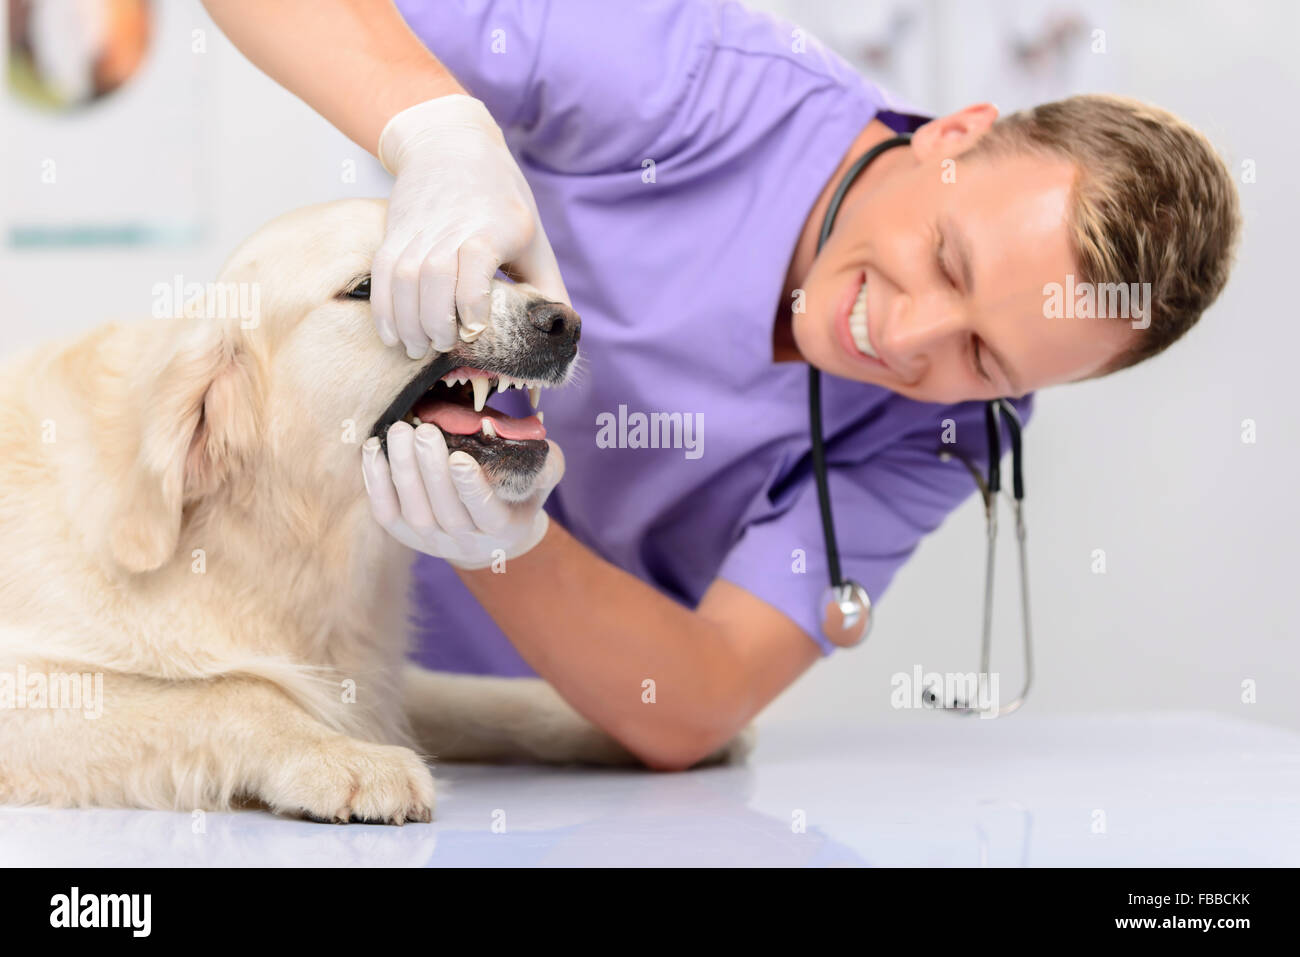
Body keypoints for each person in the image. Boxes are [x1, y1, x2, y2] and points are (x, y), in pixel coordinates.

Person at [202, 0, 1241, 770]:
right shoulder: (686, 78)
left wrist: (501, 538)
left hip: (474, 745)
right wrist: (434, 128)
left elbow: (699, 701)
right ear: (955, 134)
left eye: (985, 358)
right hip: (239, 607)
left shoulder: (957, 426)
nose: (908, 338)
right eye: (950, 260)